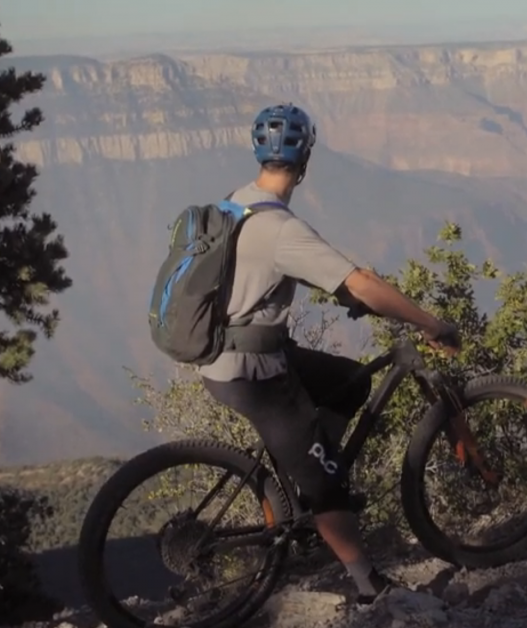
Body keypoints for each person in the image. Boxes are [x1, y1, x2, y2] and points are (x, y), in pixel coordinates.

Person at [197, 103, 461, 608]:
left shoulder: (236, 202)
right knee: (328, 483)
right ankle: (366, 581)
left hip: (227, 354)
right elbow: (359, 280)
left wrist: (346, 297)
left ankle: (308, 470)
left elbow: (269, 277)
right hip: (253, 371)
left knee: (350, 380)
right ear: (306, 159)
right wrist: (428, 322)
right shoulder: (282, 229)